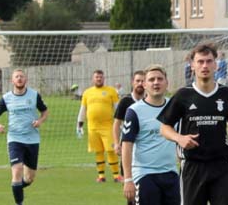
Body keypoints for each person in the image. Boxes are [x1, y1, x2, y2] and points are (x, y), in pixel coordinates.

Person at [158, 43, 228, 205]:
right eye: (200, 61)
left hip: (221, 166)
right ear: (192, 65)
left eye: (209, 61)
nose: (205, 65)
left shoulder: (227, 94)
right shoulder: (183, 95)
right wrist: (179, 138)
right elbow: (164, 128)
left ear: (216, 65)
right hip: (192, 167)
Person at [120, 65, 179, 205]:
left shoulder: (175, 106)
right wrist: (128, 179)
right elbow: (126, 145)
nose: (156, 82)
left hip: (171, 174)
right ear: (145, 84)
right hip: (145, 176)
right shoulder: (134, 111)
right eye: (151, 79)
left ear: (167, 83)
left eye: (160, 79)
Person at [0, 69, 49, 205]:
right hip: (14, 139)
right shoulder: (6, 98)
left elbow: (45, 111)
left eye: (22, 76)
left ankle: (16, 188)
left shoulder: (34, 95)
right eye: (17, 77)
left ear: (26, 79)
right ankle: (19, 202)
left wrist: (40, 121)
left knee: (29, 178)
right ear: (12, 80)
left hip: (33, 140)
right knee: (17, 171)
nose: (19, 79)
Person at [77, 70, 122, 182]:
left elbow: (118, 108)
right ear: (93, 79)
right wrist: (79, 124)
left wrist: (121, 122)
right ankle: (101, 176)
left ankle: (116, 175)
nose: (99, 79)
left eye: (101, 77)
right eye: (97, 77)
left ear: (104, 78)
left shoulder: (111, 91)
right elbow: (83, 109)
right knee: (98, 151)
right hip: (93, 128)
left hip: (108, 127)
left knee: (111, 150)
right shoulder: (87, 93)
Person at [113, 70, 146, 198]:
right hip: (128, 150)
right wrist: (116, 143)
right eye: (137, 81)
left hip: (144, 150)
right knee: (130, 191)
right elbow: (116, 124)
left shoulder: (150, 101)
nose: (140, 83)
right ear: (132, 82)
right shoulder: (125, 101)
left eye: (143, 81)